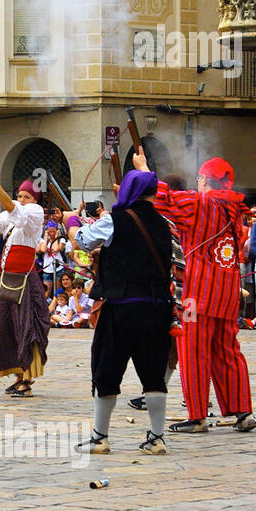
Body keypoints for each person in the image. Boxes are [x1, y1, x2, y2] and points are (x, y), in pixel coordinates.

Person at [144, 154, 256, 433]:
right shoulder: (234, 208)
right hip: (227, 291)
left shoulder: (201, 203)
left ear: (205, 180)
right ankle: (243, 412)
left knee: (193, 351)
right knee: (228, 351)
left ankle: (197, 416)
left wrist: (145, 170)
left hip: (198, 291)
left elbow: (163, 201)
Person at [71, 169, 174, 456]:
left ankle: (99, 437)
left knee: (107, 371)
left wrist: (73, 223)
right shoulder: (165, 224)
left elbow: (83, 240)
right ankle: (156, 437)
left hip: (121, 307)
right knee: (154, 374)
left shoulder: (113, 221)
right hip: (157, 308)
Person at [0, 173, 50, 399]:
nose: (22, 199)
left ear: (34, 199)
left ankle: (27, 379)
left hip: (25, 280)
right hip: (8, 279)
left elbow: (17, 214)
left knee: (26, 327)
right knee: (6, 328)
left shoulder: (35, 212)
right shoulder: (14, 212)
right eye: (20, 195)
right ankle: (17, 374)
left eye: (27, 196)